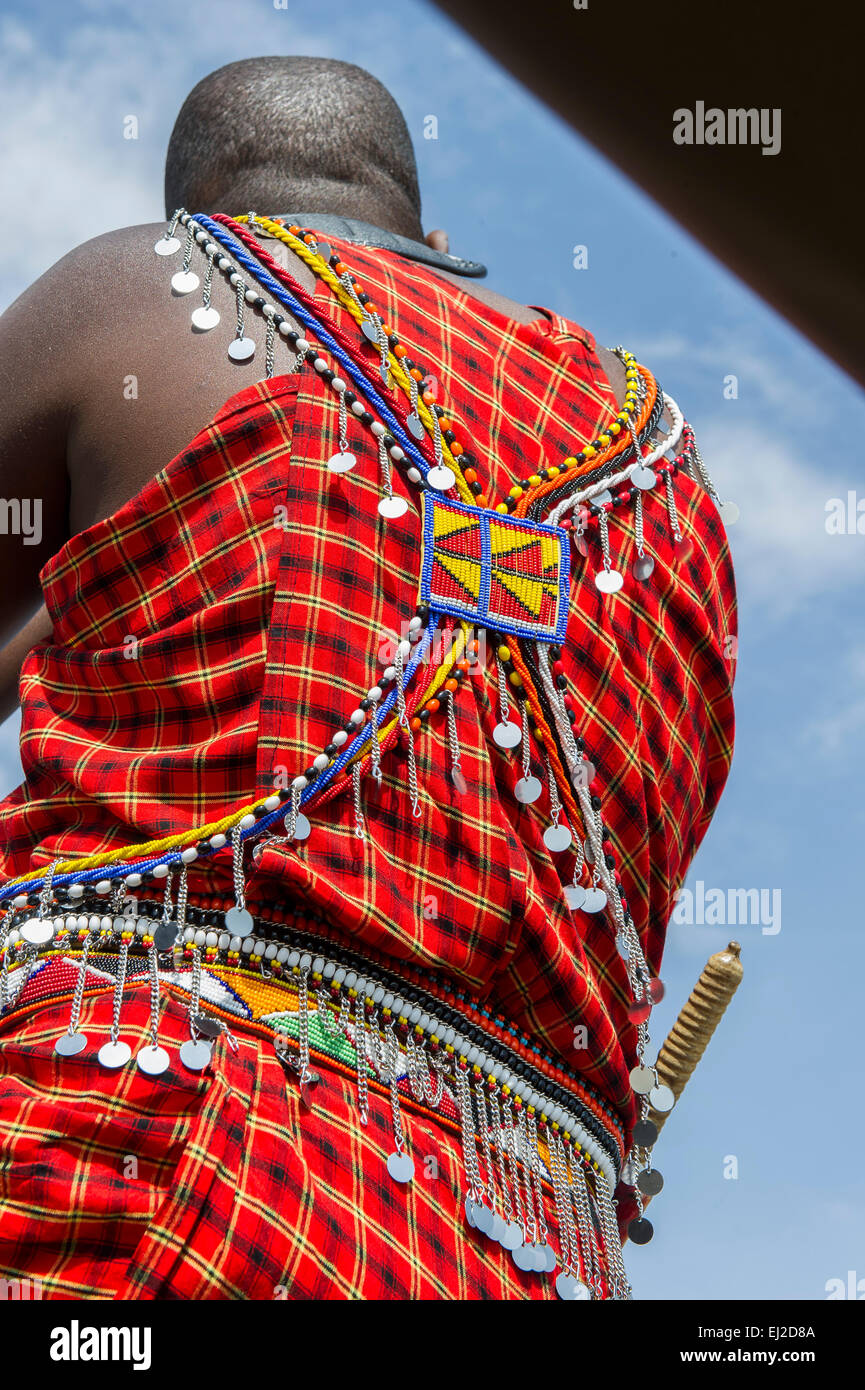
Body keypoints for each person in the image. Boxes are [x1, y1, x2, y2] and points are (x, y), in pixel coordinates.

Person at [0, 56, 736, 1300]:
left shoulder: (147, 290)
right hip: (516, 1251)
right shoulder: (668, 475)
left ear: (207, 211)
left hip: (143, 1153)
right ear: (432, 238)